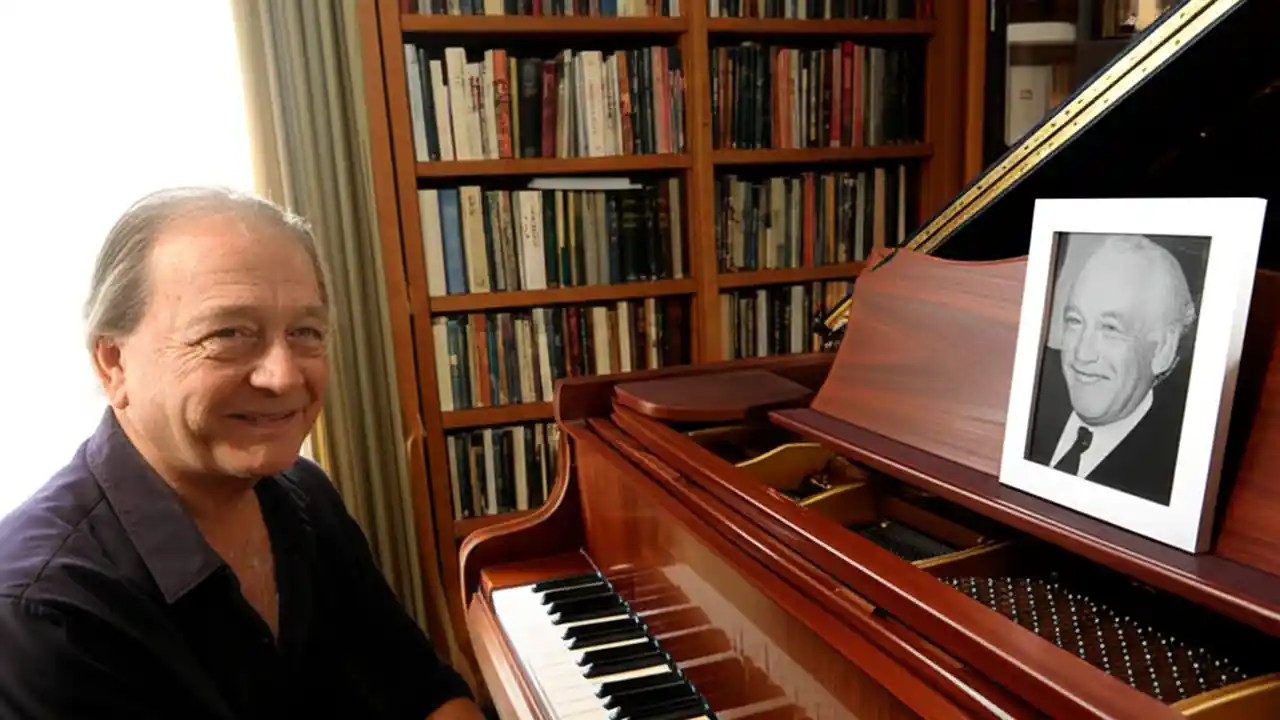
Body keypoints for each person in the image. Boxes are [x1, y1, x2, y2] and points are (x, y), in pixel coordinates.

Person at [0, 187, 485, 719]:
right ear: (114, 363)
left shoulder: (304, 492)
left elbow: (422, 690)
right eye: (228, 333)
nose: (283, 376)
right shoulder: (41, 613)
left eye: (305, 332)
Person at [1026, 234, 1198, 505]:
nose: (1082, 354)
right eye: (1075, 321)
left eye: (1110, 328)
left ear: (1163, 349)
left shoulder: (1177, 472)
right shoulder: (1029, 385)